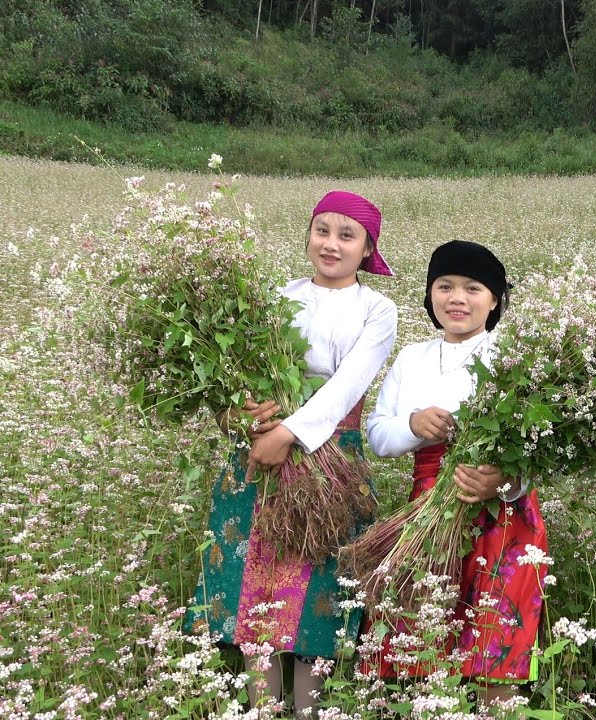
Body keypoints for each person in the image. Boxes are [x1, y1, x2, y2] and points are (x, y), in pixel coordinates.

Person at [184, 190, 398, 717]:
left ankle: (308, 709)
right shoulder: (276, 296)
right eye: (321, 230)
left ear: (368, 248)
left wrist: (290, 435)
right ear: (307, 236)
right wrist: (238, 413)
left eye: (346, 235)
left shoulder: (378, 309)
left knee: (317, 588)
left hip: (331, 457)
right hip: (258, 452)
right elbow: (238, 374)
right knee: (256, 583)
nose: (331, 244)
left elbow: (347, 387)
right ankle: (262, 708)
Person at [366, 239, 546, 705]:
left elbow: (542, 445)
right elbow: (378, 435)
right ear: (429, 296)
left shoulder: (515, 355)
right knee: (421, 636)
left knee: (493, 647)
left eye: (473, 288)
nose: (457, 298)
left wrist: (504, 481)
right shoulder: (412, 357)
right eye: (444, 286)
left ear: (495, 300)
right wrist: (412, 424)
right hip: (428, 510)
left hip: (504, 516)